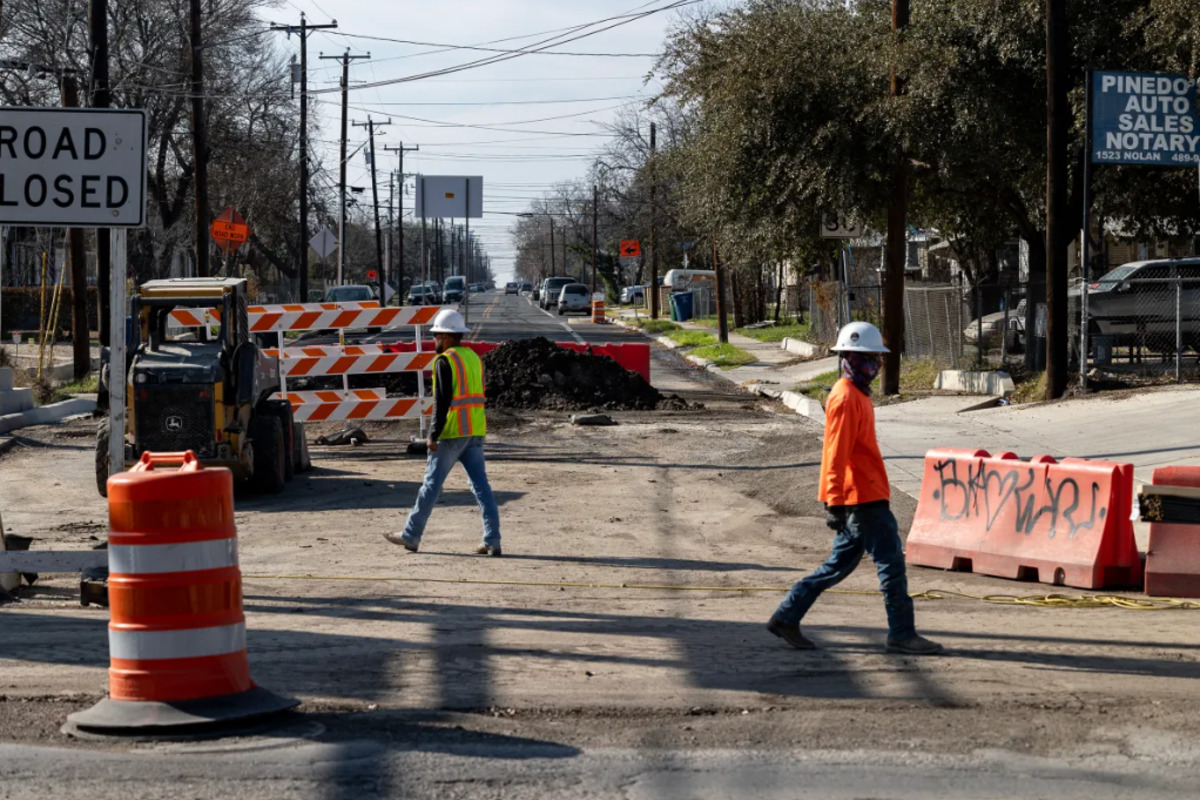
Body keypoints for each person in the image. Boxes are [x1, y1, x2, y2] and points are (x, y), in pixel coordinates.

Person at [767, 321, 942, 656]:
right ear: (848, 358)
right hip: (864, 500)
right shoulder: (847, 397)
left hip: (866, 495)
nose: (875, 364)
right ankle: (902, 633)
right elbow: (836, 452)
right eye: (869, 357)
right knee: (891, 565)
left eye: (876, 357)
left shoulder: (857, 395)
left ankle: (787, 616)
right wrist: (833, 500)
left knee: (837, 566)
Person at [386, 309, 502, 556]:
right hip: (475, 430)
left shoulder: (445, 360)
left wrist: (433, 435)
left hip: (451, 432)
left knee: (431, 486)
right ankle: (492, 539)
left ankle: (411, 535)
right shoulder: (473, 357)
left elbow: (441, 401)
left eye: (437, 335)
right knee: (482, 487)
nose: (434, 339)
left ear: (448, 337)